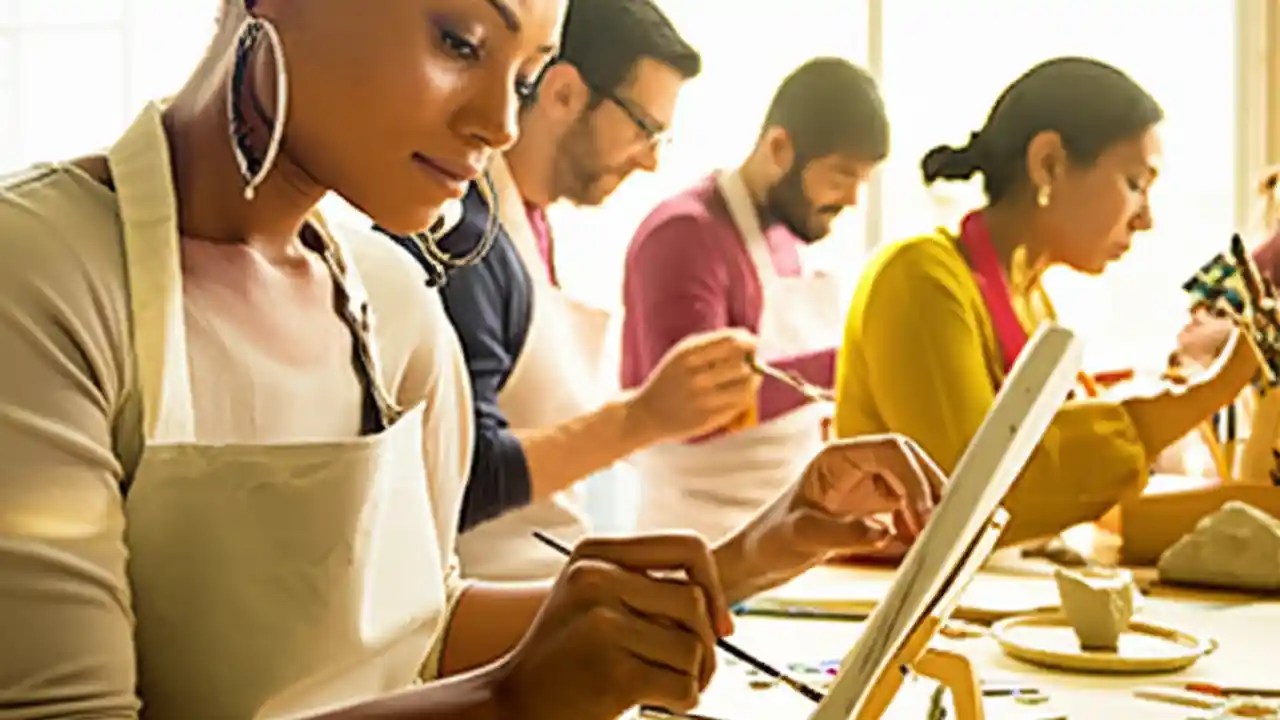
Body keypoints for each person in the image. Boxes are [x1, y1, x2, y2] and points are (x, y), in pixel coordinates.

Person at [0, 1, 942, 718]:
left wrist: (757, 548)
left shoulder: (387, 301)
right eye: (458, 39)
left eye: (526, 76)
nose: (499, 118)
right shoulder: (40, 274)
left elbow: (421, 632)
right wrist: (507, 703)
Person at [384, 0, 761, 581]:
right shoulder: (464, 239)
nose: (652, 161)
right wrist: (641, 419)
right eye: (645, 129)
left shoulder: (531, 229)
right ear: (562, 94)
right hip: (483, 615)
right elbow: (465, 477)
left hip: (544, 590)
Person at [833, 56, 1261, 548]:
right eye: (1134, 184)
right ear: (1049, 164)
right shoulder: (918, 279)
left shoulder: (1033, 305)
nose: (1145, 220)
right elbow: (973, 499)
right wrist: (1210, 391)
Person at [620, 57, 889, 541]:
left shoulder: (791, 232)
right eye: (840, 175)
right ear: (779, 147)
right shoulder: (684, 236)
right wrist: (849, 365)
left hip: (777, 531)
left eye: (862, 181)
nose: (852, 199)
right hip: (697, 540)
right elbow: (691, 414)